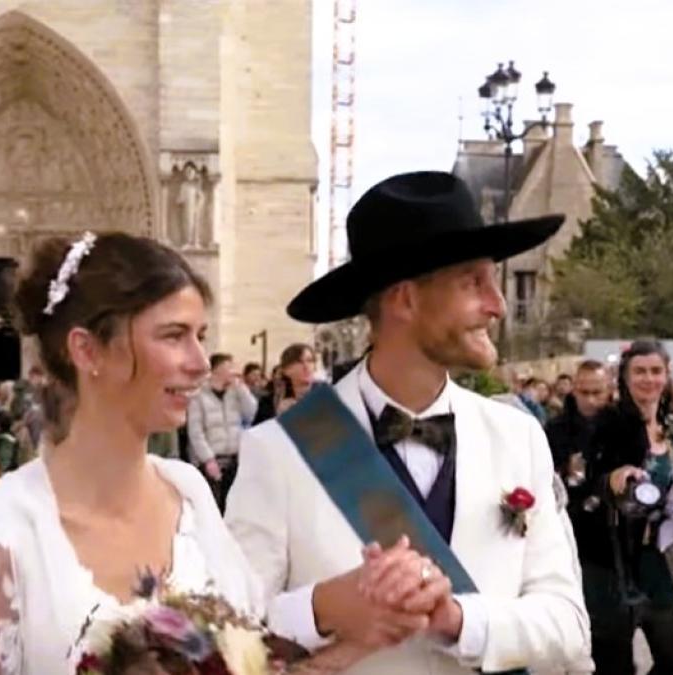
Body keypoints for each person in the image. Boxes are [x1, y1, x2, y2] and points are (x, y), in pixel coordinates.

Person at [227, 171, 589, 673]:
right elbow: (233, 627)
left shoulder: (517, 436)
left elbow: (569, 626)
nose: (498, 305)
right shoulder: (280, 448)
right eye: (473, 282)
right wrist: (327, 605)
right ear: (405, 299)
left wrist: (457, 619)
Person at [0, 232, 279, 672]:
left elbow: (255, 636)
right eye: (174, 336)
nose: (200, 362)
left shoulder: (189, 490)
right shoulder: (1, 535)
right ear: (86, 349)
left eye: (201, 336)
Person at [573, 340, 673, 675]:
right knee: (612, 663)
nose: (649, 379)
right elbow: (584, 483)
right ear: (625, 376)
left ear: (667, 374)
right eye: (640, 371)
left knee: (671, 657)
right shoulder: (608, 423)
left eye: (656, 371)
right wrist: (611, 481)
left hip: (655, 556)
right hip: (609, 558)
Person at [186, 353, 257, 508]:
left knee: (235, 506)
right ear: (217, 370)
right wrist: (208, 459)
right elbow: (195, 431)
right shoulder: (198, 395)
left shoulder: (235, 392)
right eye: (229, 367)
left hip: (235, 457)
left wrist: (241, 389)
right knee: (214, 506)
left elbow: (251, 413)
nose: (233, 371)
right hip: (212, 459)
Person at [545, 360, 610, 487]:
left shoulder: (624, 426)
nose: (590, 400)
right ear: (574, 390)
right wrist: (565, 469)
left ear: (608, 390)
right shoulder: (554, 428)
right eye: (584, 392)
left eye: (597, 392)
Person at [252, 343, 319, 425]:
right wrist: (278, 417)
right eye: (299, 362)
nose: (306, 366)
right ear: (286, 370)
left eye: (310, 361)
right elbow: (257, 432)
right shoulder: (269, 402)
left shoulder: (325, 394)